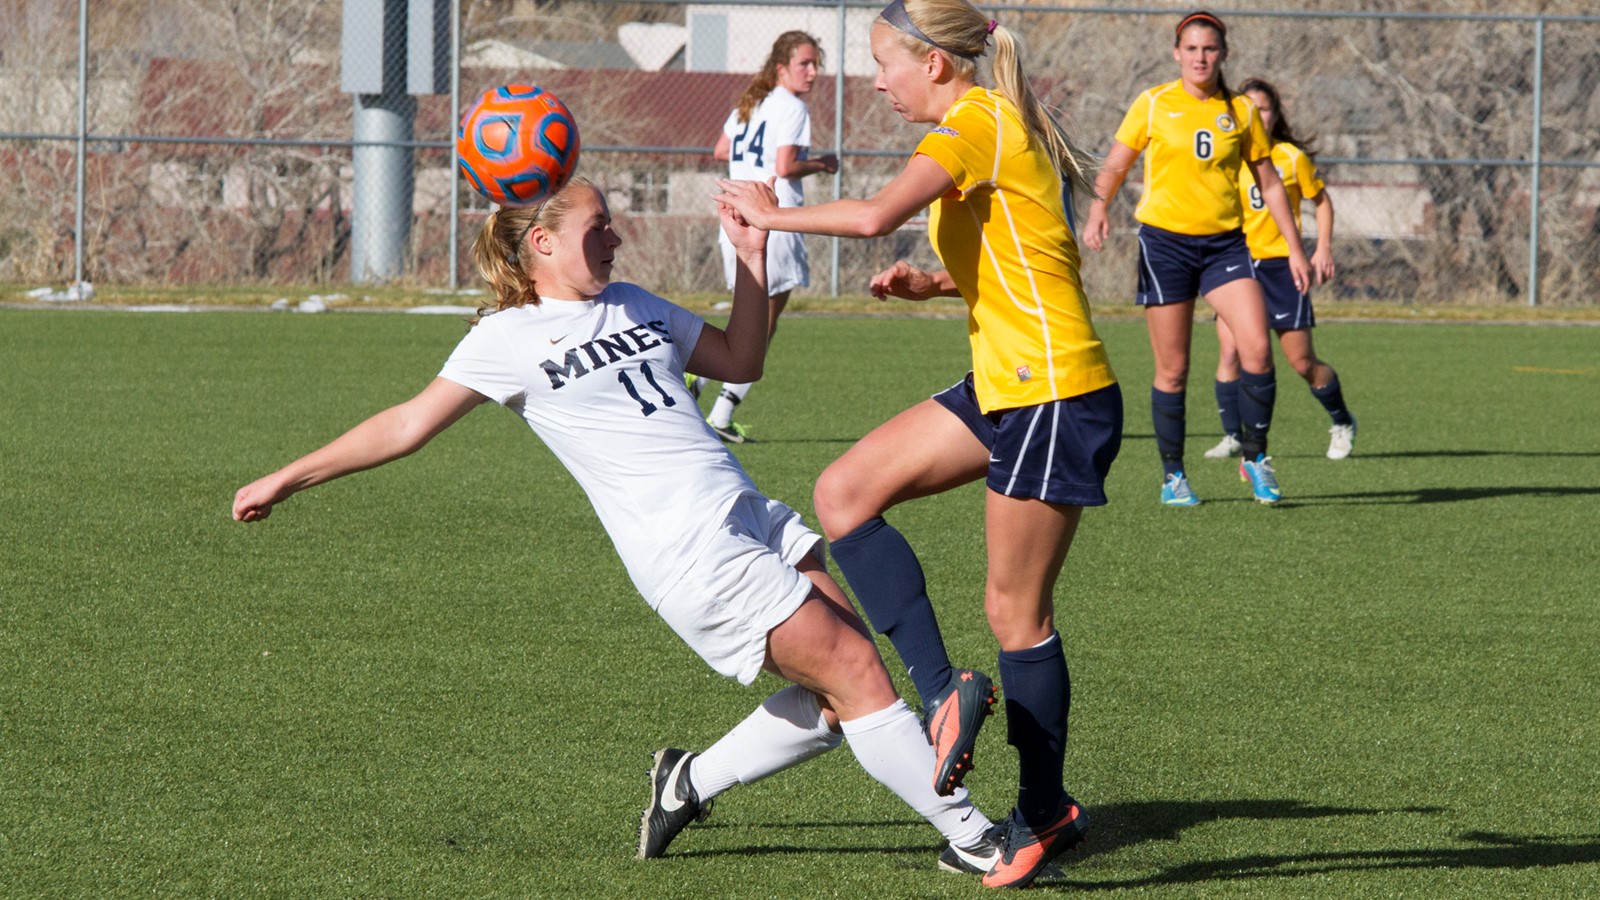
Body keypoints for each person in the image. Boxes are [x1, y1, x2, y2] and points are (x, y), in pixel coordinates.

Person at [231, 179, 1016, 878]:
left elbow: (741, 360)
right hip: (689, 551)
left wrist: (751, 255)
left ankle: (687, 783)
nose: (615, 236)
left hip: (749, 514)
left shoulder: (634, 301)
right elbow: (406, 424)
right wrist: (287, 478)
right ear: (543, 243)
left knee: (843, 697)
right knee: (856, 672)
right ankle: (977, 838)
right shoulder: (506, 338)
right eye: (598, 226)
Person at [716, 0, 1119, 887]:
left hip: (1054, 395)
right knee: (844, 493)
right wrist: (937, 285)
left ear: (935, 62)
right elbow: (1033, 251)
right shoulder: (983, 125)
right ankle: (942, 696)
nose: (876, 82)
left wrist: (768, 214)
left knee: (1017, 615)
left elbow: (872, 216)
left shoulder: (974, 122)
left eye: (884, 64)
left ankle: (1044, 812)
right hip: (1008, 387)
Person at [1083, 10, 1313, 507]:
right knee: (1174, 369)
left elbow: (1270, 184)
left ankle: (1255, 457)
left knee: (1257, 349)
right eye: (1191, 48)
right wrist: (1098, 210)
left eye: (1209, 48)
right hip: (1165, 246)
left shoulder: (1241, 111)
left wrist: (1297, 249)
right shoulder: (1153, 103)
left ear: (1223, 54)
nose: (1200, 57)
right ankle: (1173, 476)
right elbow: (1115, 164)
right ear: (1176, 53)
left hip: (1225, 246)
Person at [693, 30, 841, 444]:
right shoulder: (792, 106)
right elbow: (785, 166)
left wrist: (748, 163)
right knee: (763, 325)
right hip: (772, 217)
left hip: (734, 217)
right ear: (781, 68)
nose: (812, 72)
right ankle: (721, 413)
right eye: (804, 64)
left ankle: (698, 384)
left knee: (742, 315)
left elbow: (721, 150)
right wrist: (823, 163)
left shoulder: (751, 101)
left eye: (815, 64)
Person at [1202, 77, 1356, 463]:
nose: (1257, 115)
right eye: (1250, 108)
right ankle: (1233, 435)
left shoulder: (1290, 158)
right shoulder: (1227, 157)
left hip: (1282, 268)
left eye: (1265, 109)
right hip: (1237, 265)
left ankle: (1341, 420)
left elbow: (1321, 201)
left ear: (1275, 114)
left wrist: (1322, 248)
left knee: (1302, 362)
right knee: (1230, 352)